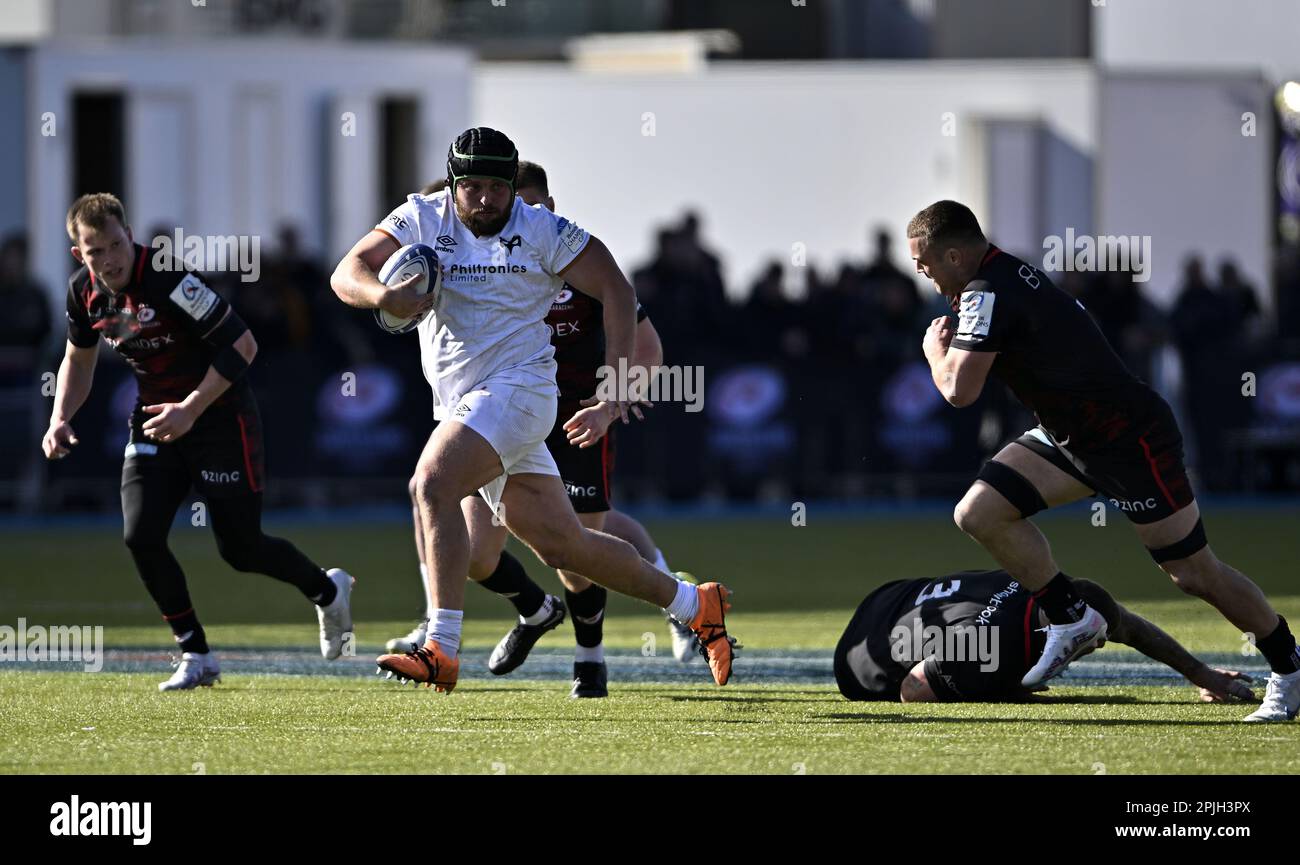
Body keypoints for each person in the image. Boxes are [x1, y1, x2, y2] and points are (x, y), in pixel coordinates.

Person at [329, 128, 735, 693]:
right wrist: (382, 296)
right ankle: (695, 603)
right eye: (473, 186)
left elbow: (617, 288)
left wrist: (615, 386)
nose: (487, 198)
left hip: (519, 392)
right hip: (465, 401)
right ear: (453, 184)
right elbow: (346, 271)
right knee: (566, 547)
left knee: (431, 485)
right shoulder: (423, 217)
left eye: (498, 186)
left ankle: (440, 649)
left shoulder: (542, 229)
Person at [907, 199, 1300, 722]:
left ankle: (1290, 669)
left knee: (1193, 572)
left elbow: (958, 390)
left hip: (1130, 442)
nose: (923, 274)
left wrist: (934, 351)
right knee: (979, 513)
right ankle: (1071, 617)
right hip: (1070, 438)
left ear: (955, 255)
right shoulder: (1001, 276)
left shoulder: (985, 293)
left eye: (925, 262)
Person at [44, 194, 354, 690]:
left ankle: (326, 590)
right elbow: (78, 361)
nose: (111, 259)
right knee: (140, 535)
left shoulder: (168, 277)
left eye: (117, 244)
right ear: (78, 254)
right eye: (96, 251)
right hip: (154, 423)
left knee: (242, 549)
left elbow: (243, 345)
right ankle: (195, 653)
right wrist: (60, 417)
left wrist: (191, 408)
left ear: (131, 236)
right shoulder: (82, 293)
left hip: (218, 418)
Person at [834, 568, 1256, 704]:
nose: (1101, 645)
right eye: (1092, 641)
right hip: (857, 666)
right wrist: (1008, 691)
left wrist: (1200, 673)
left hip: (892, 595)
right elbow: (913, 688)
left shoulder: (1043, 583)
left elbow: (1127, 626)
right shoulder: (991, 645)